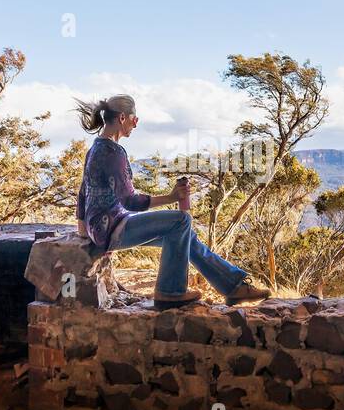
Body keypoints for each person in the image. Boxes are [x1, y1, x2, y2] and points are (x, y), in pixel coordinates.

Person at [73, 94, 270, 310]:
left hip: (103, 228)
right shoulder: (112, 152)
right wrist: (172, 197)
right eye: (134, 118)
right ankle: (170, 292)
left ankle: (233, 287)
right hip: (112, 228)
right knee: (181, 221)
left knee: (185, 236)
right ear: (122, 118)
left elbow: (83, 193)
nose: (136, 124)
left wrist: (85, 231)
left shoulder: (96, 147)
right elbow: (130, 201)